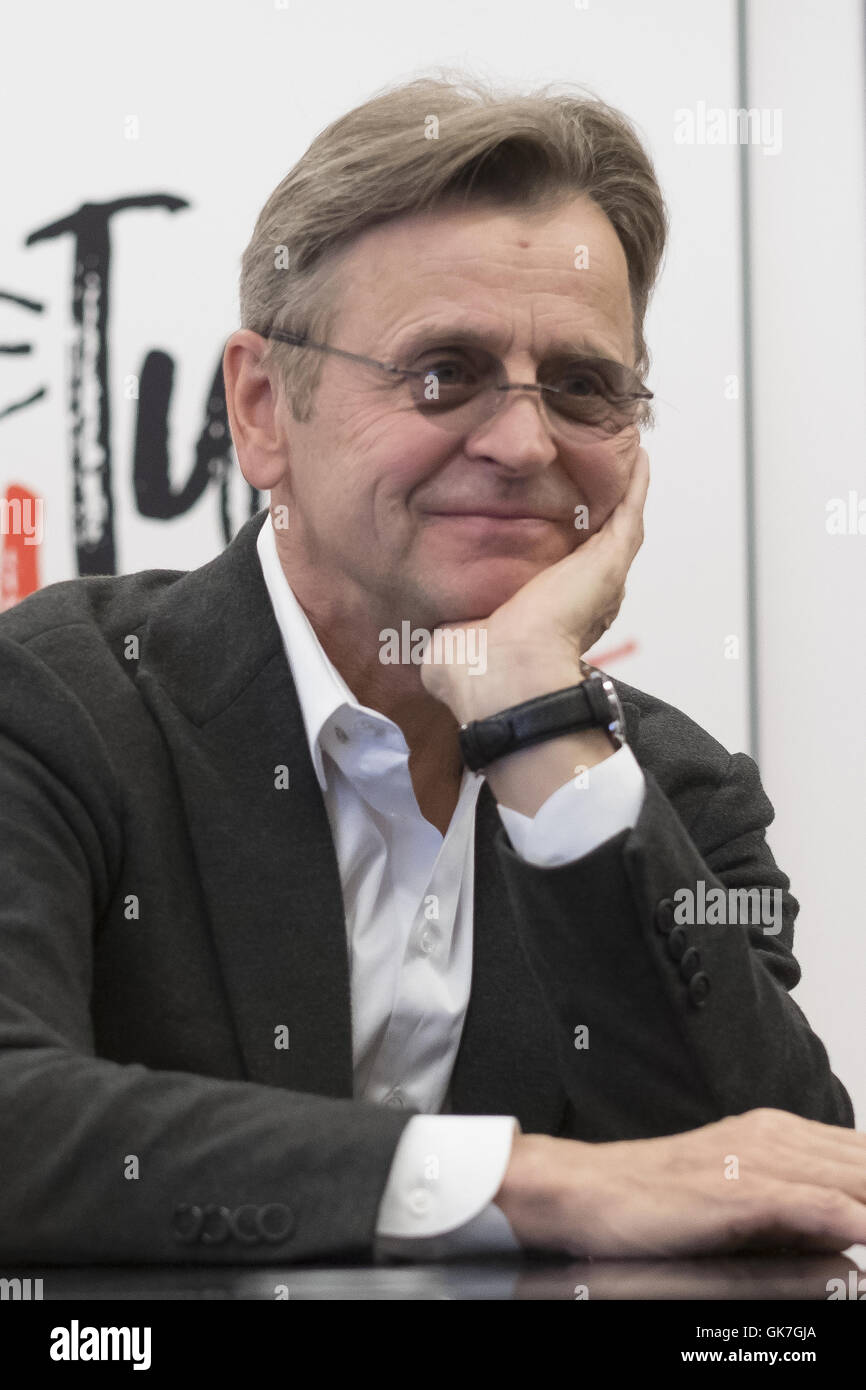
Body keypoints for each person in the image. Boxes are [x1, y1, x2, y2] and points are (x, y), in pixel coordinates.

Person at [0, 74, 863, 1267]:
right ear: (261, 409)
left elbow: (789, 1182)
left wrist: (532, 719)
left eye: (580, 386)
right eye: (442, 373)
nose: (521, 443)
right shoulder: (53, 705)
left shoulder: (660, 788)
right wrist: (536, 1182)